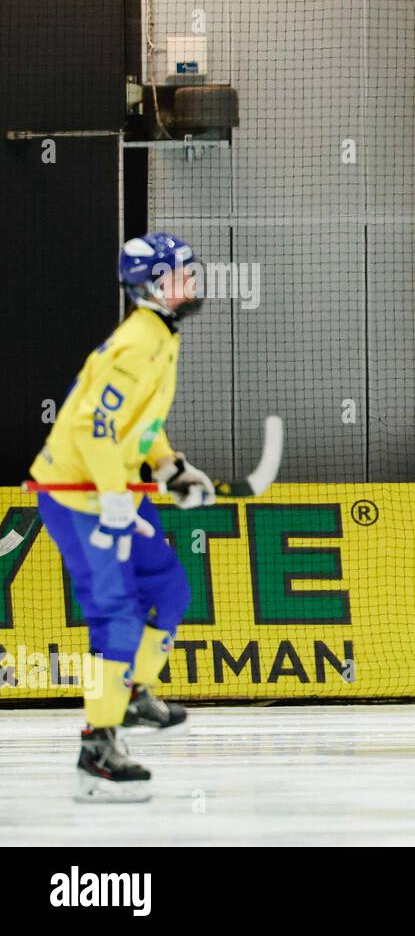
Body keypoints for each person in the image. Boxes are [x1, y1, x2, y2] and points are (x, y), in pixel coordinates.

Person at [30, 233, 212, 802]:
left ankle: (130, 694)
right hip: (76, 495)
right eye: (182, 273)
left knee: (170, 590)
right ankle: (97, 746)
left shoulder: (160, 334)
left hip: (114, 488)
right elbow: (93, 428)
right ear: (154, 286)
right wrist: (113, 497)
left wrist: (171, 467)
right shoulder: (136, 343)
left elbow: (141, 423)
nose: (193, 280)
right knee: (115, 616)